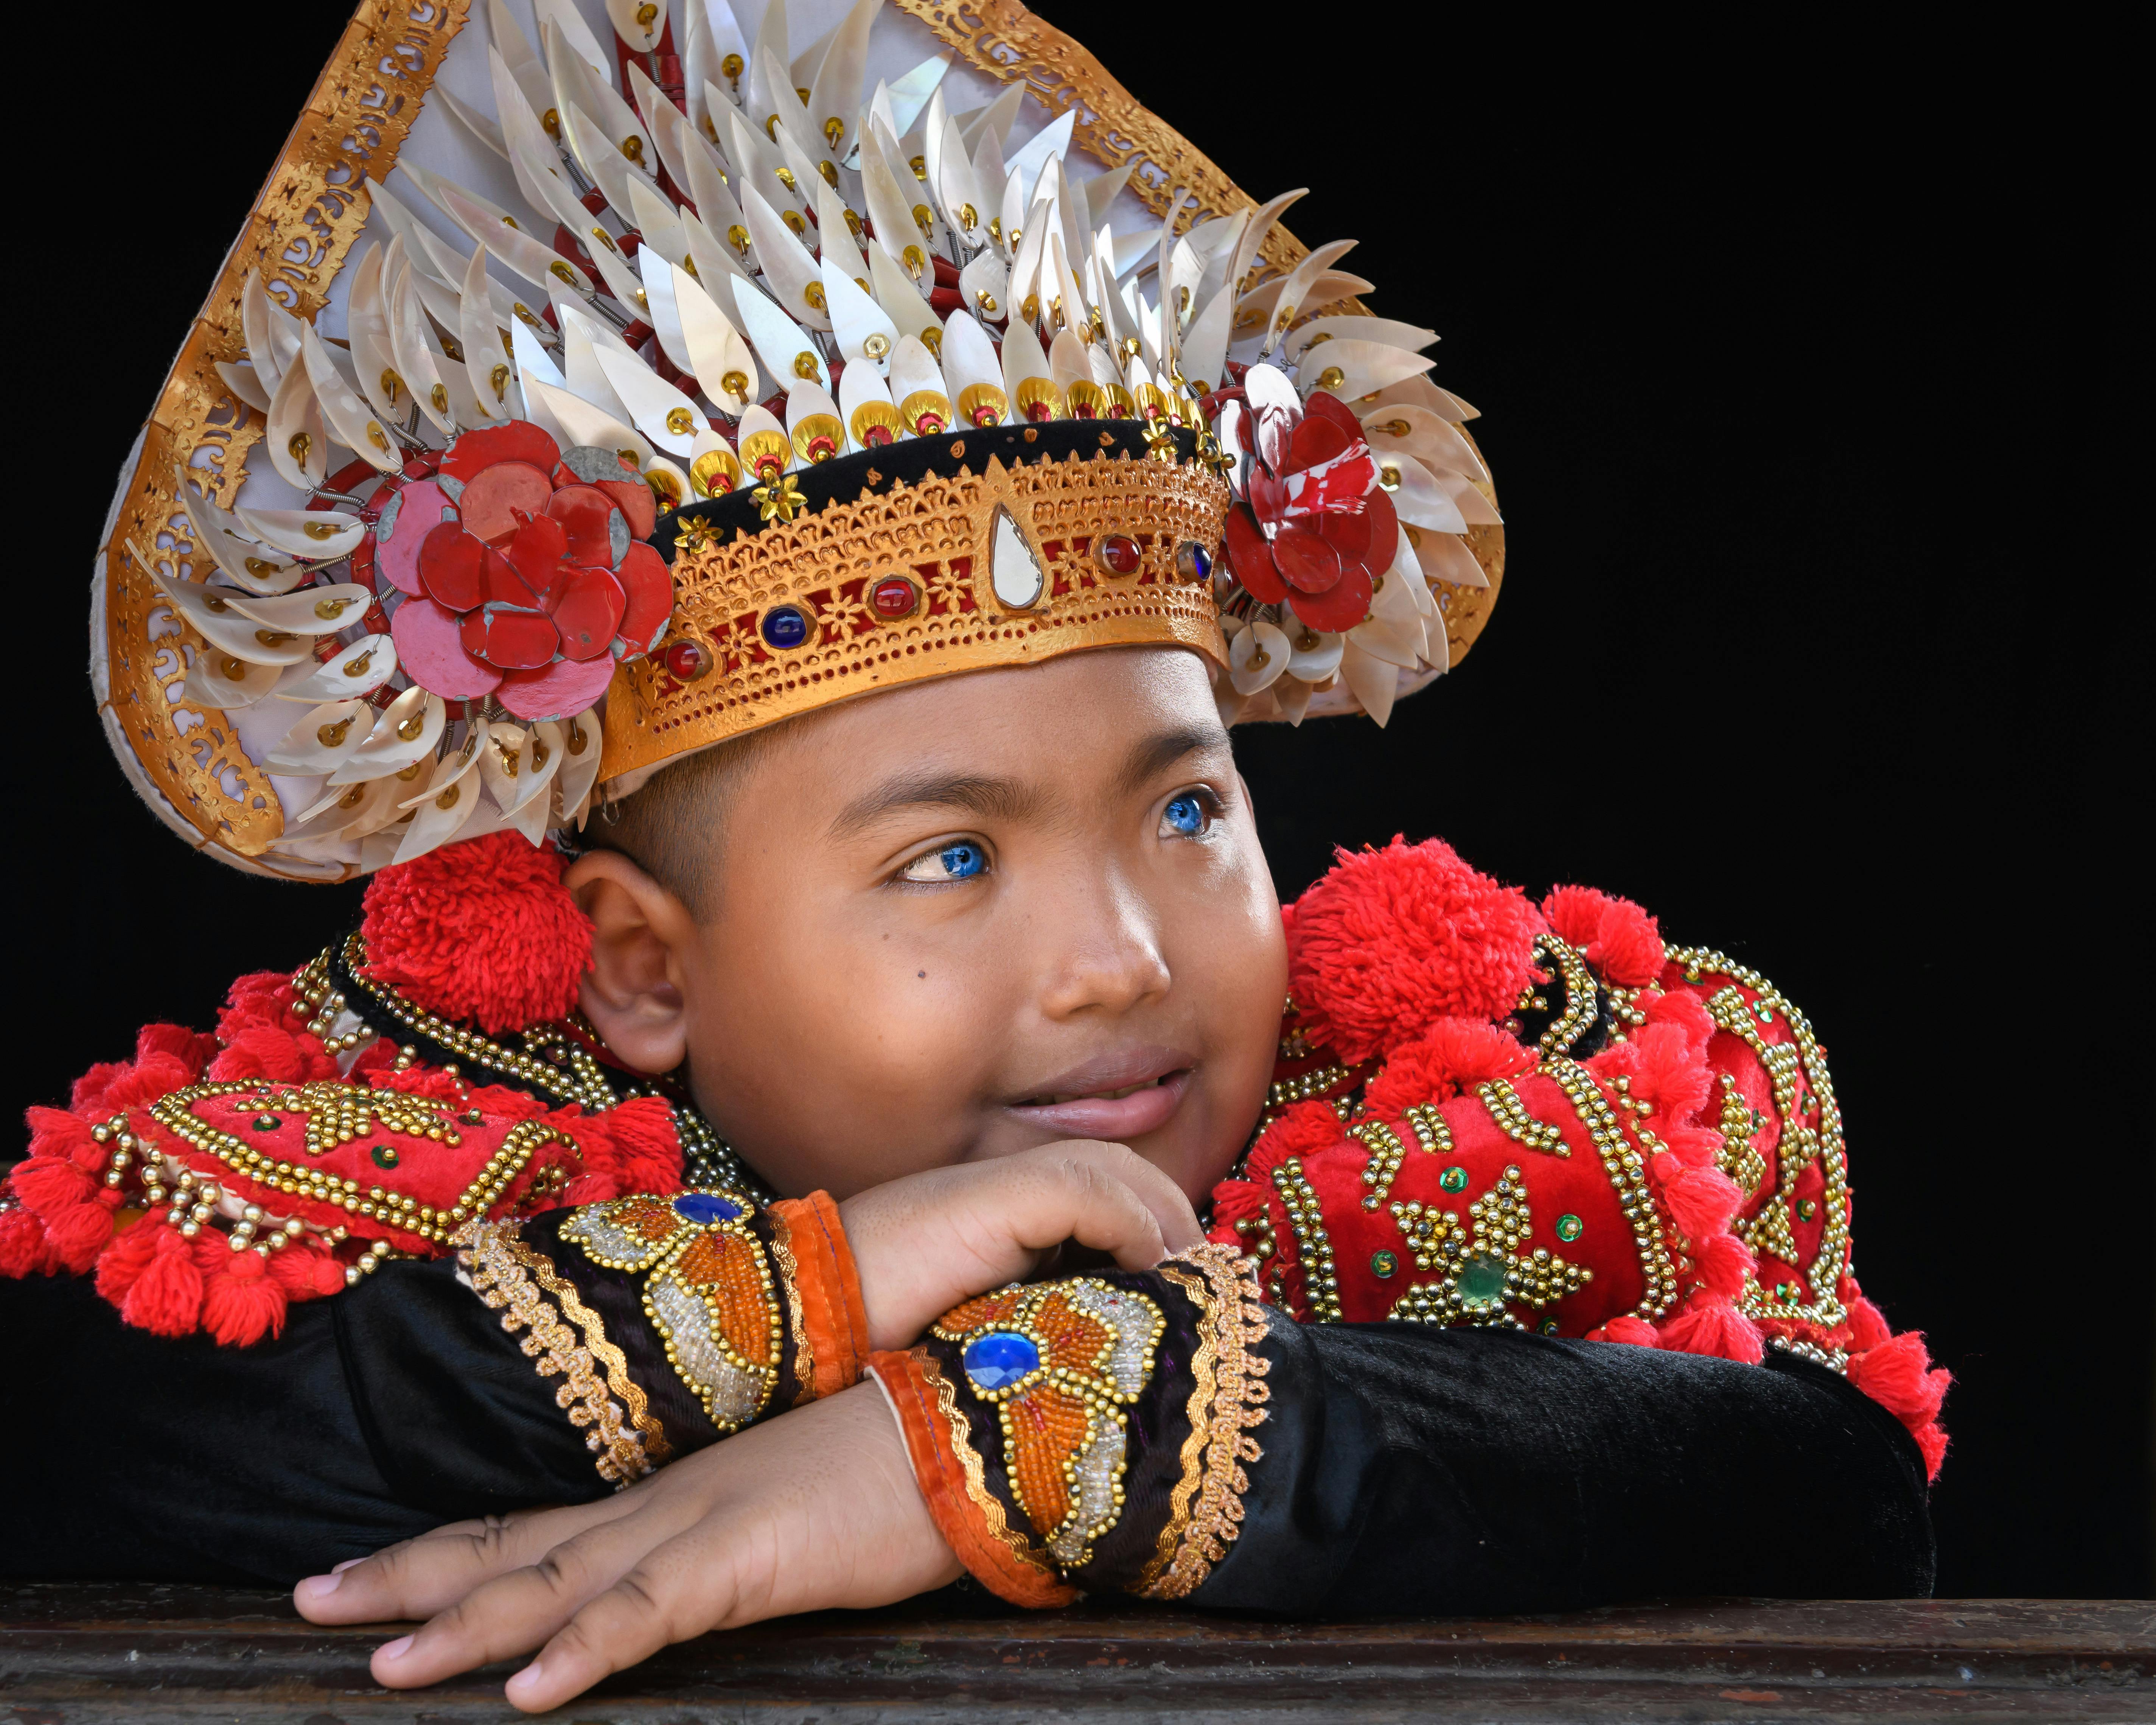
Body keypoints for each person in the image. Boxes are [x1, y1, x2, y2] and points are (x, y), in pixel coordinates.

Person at [0, 0, 1947, 1711]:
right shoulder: (448, 1113)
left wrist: (967, 1443)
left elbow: (1826, 1470)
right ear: (640, 968)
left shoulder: (1518, 1085)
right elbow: (85, 1417)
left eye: (1190, 812)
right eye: (947, 862)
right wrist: (829, 1289)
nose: (1118, 958)